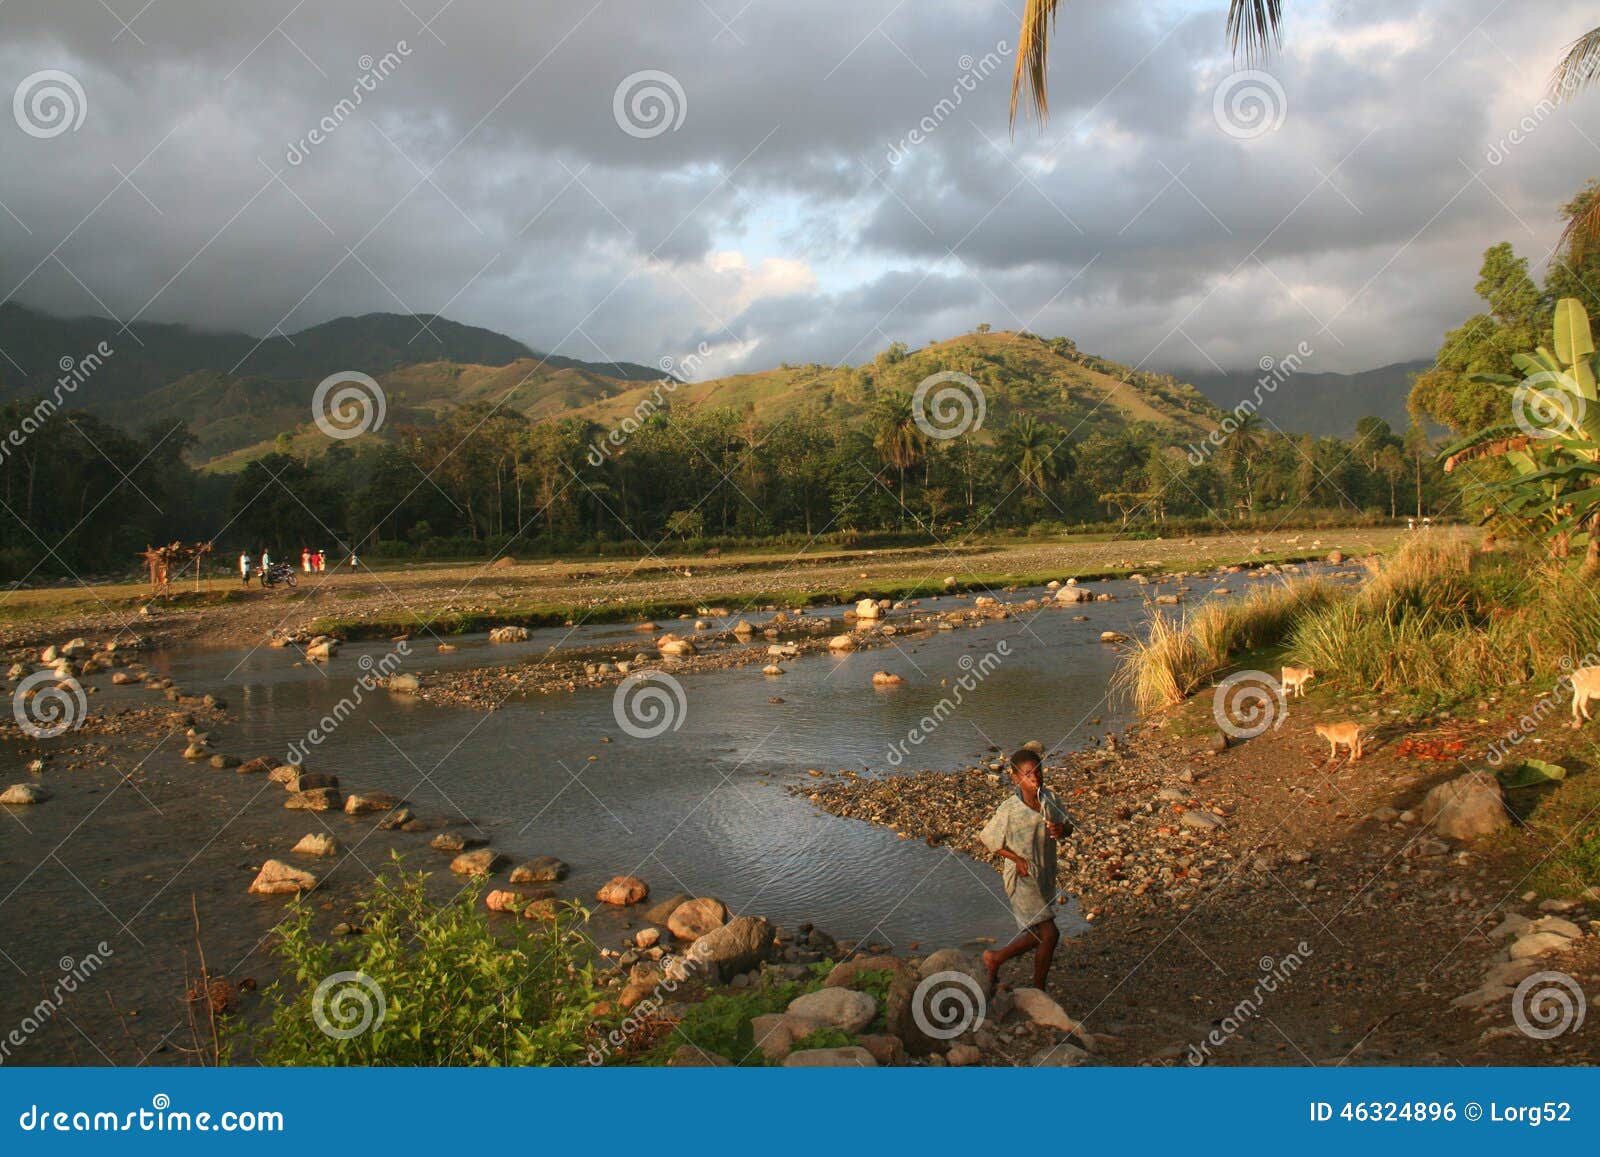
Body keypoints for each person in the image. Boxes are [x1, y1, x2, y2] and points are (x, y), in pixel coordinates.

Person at [978, 748, 1070, 991]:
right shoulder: (1010, 809)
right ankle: (1039, 990)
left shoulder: (1049, 800)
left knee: (1038, 934)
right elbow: (988, 840)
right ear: (1015, 778)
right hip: (1021, 877)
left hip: (1043, 874)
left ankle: (995, 958)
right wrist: (1016, 859)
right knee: (1050, 933)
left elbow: (1066, 826)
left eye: (1038, 772)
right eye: (1027, 774)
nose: (1035, 778)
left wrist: (1062, 830)